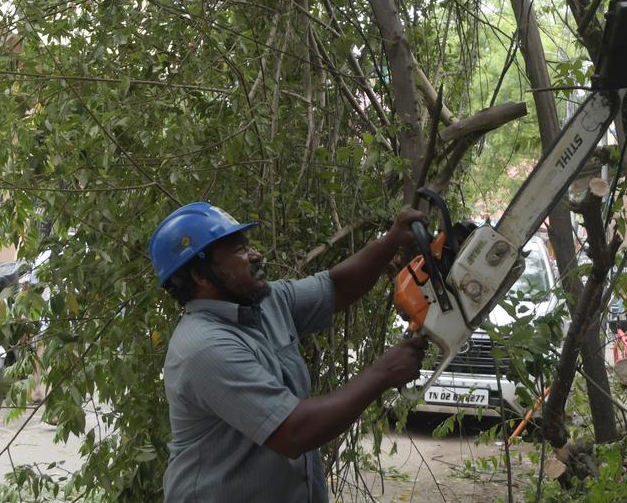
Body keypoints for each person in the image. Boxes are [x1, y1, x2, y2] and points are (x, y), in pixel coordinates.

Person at [149, 202, 429, 502]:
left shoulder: (263, 303)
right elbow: (294, 431)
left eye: (249, 245)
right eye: (238, 251)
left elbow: (336, 287)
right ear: (200, 277)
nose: (255, 255)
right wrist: (383, 373)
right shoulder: (203, 347)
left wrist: (390, 242)